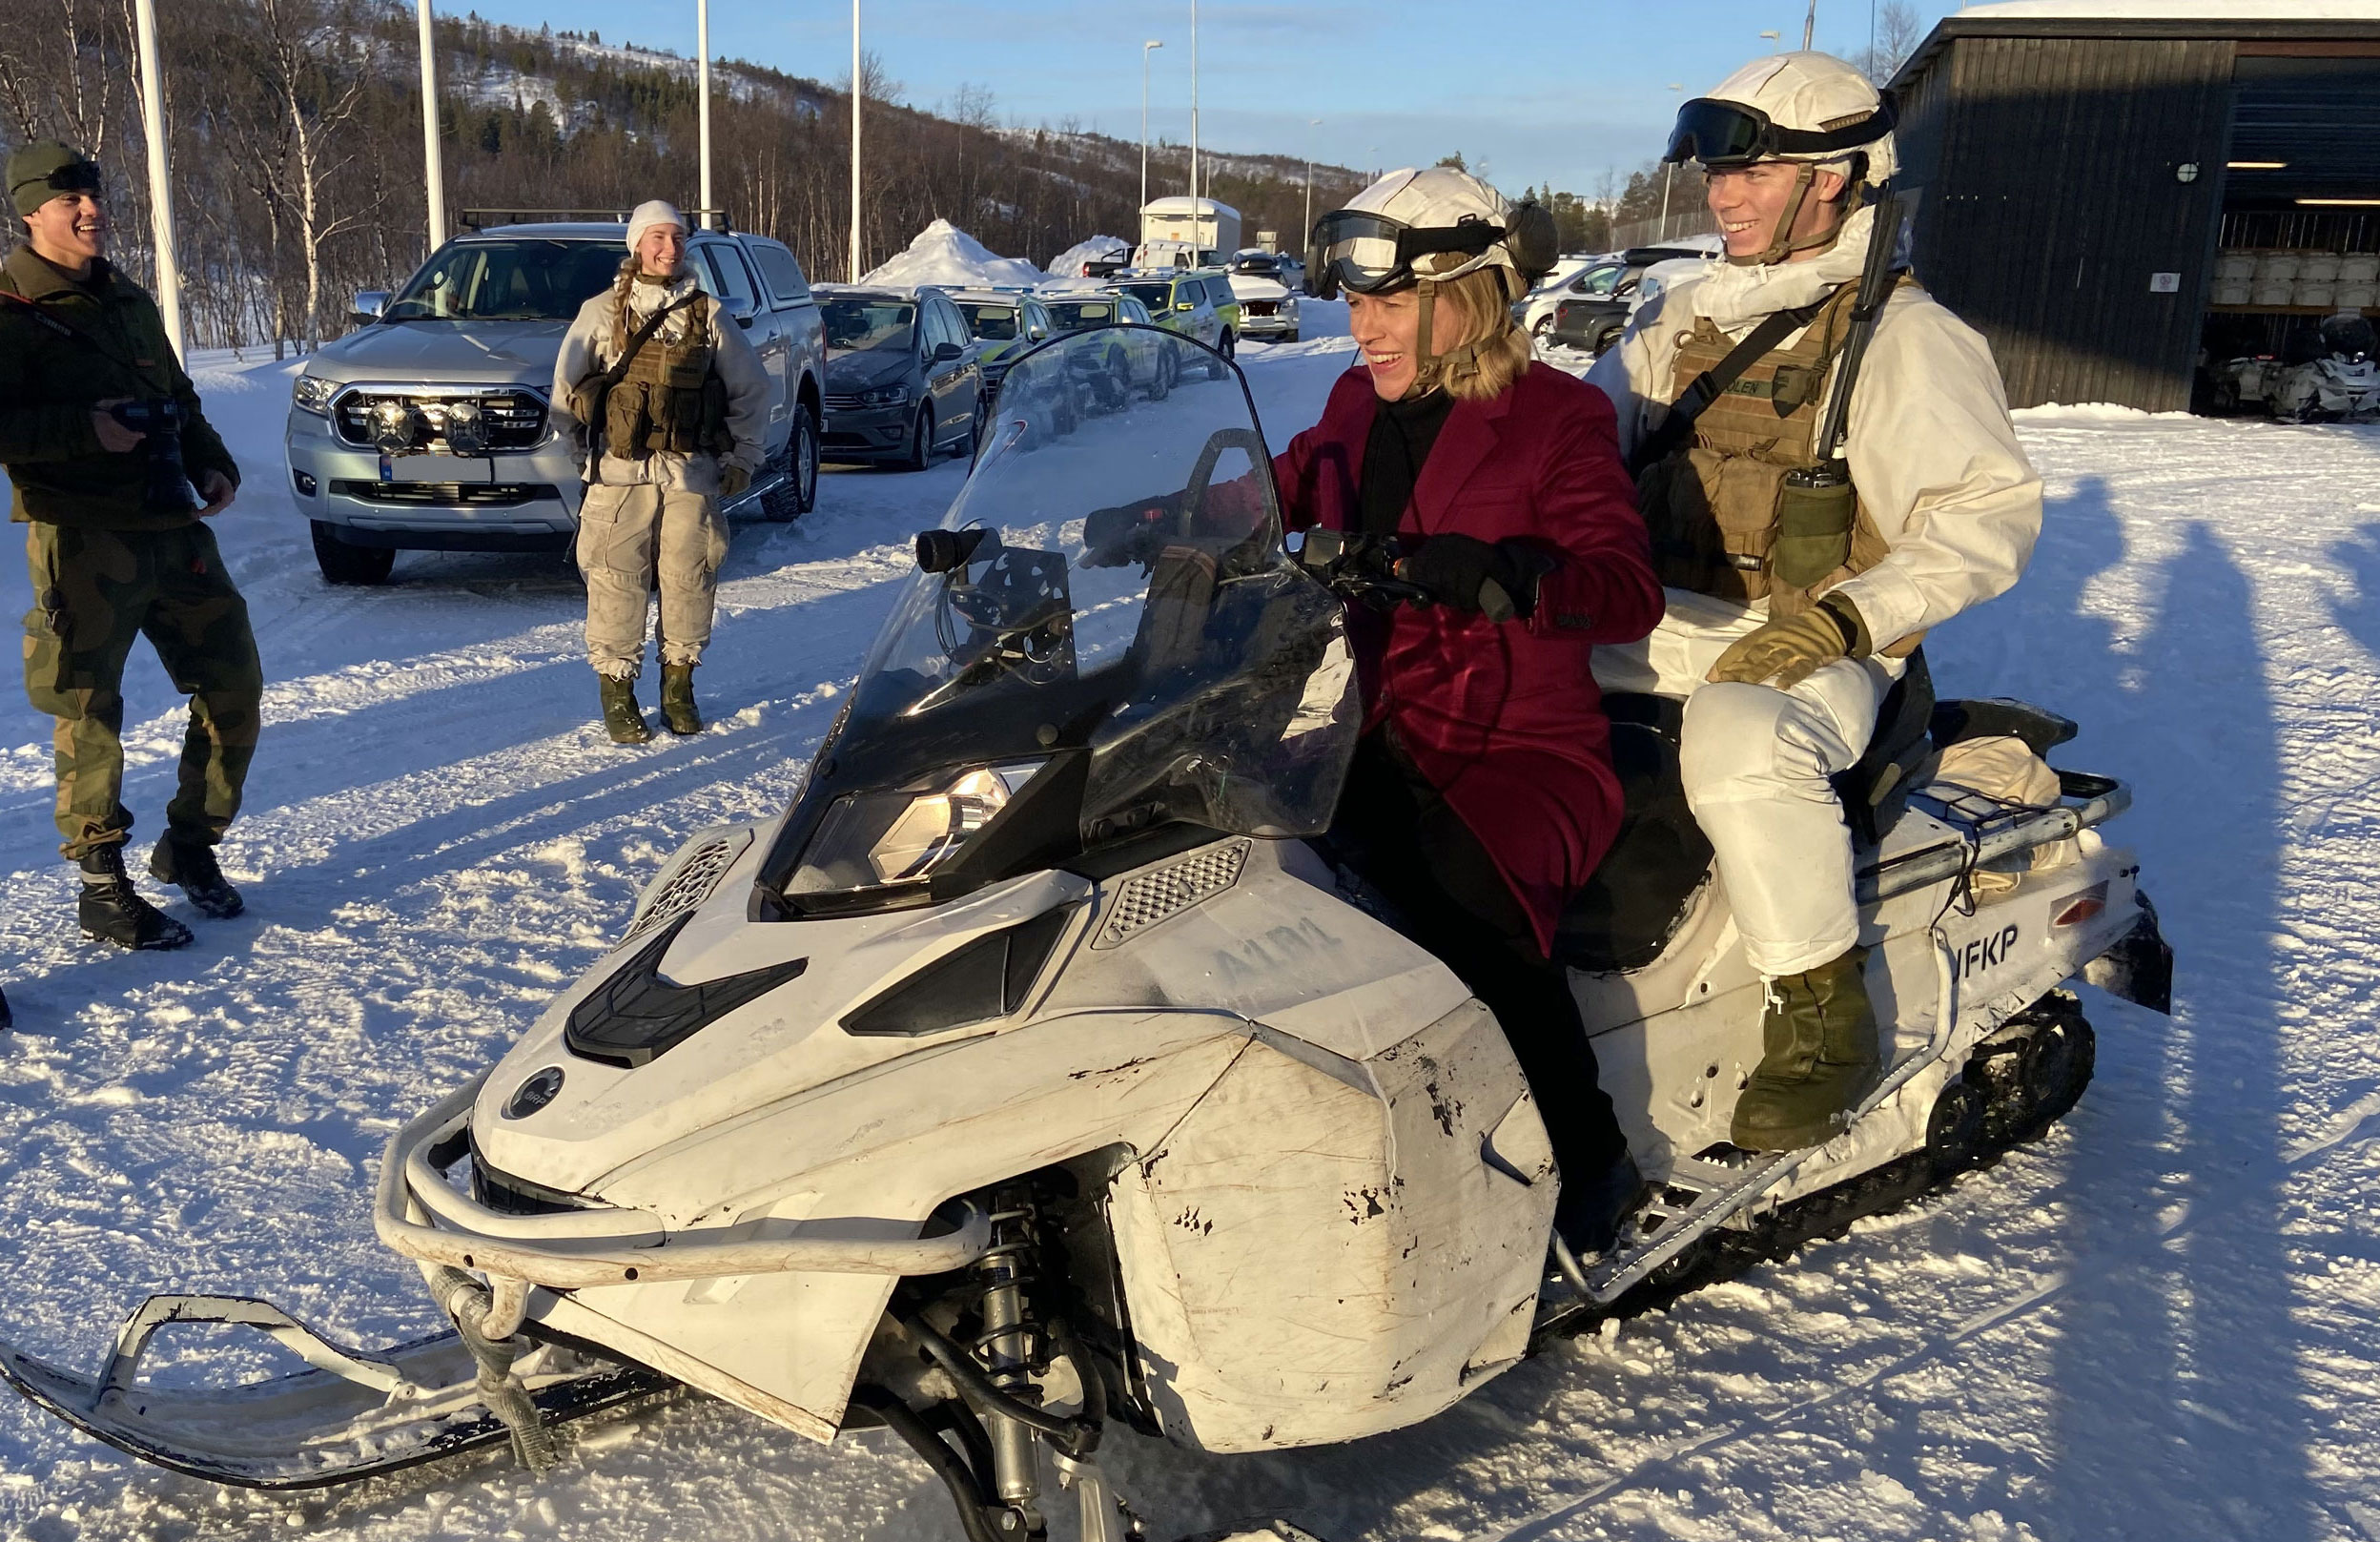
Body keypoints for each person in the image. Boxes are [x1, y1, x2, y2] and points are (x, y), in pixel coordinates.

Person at [1588, 52, 2042, 1151]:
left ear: (1834, 177)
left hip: (1827, 641)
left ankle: (1820, 1015)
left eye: (1753, 174)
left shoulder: (1904, 339)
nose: (1722, 196)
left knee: (1742, 740)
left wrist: (1844, 618)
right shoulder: (1684, 320)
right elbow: (1578, 451)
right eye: (1714, 174)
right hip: (1670, 620)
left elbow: (1987, 519)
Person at [1285, 168, 1665, 1252]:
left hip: (1513, 746)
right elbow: (1292, 481)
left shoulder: (1556, 417)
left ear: (1469, 294)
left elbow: (1621, 582)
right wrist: (1173, 511)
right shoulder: (1356, 402)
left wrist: (1510, 573)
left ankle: (1594, 1157)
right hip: (1369, 722)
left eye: (1389, 302)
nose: (1363, 327)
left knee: (1460, 904)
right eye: (1356, 303)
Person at [1, 140, 258, 952]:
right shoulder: (9, 304)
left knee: (233, 685)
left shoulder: (127, 296)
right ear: (30, 211)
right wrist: (88, 431)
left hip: (170, 523)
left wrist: (211, 459)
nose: (91, 209)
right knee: (86, 710)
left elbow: (175, 392)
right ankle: (101, 888)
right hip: (81, 538)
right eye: (70, 197)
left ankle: (189, 846)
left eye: (95, 194)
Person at [552, 200, 769, 744]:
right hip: (620, 475)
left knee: (689, 575)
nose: (669, 248)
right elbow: (566, 395)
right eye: (658, 237)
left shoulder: (707, 313)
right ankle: (618, 694)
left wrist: (743, 457)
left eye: (677, 237)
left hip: (690, 472)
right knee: (615, 578)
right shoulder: (601, 312)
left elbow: (750, 389)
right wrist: (584, 461)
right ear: (637, 244)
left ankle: (679, 689)